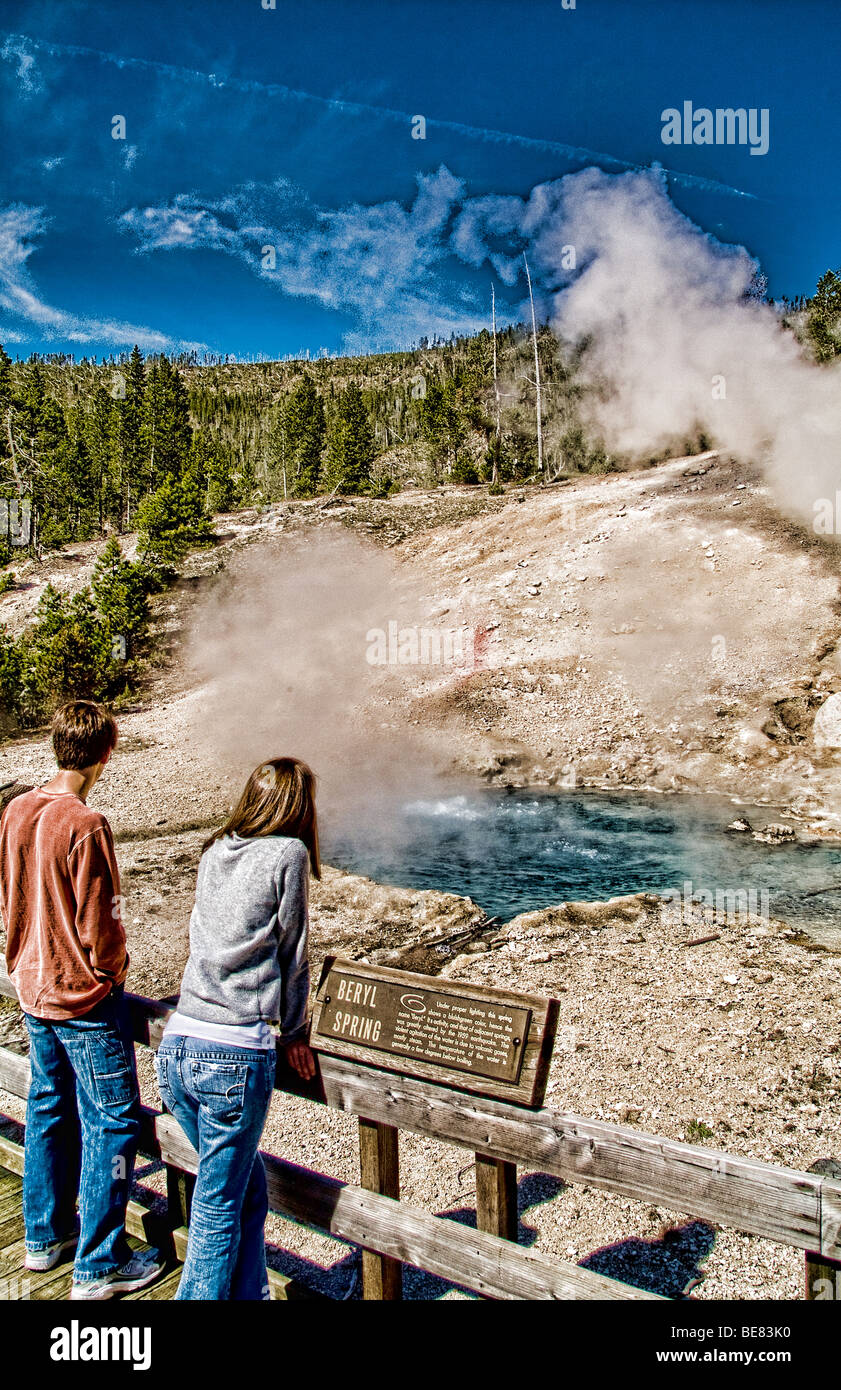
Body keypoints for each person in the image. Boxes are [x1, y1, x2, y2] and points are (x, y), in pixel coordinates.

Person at [0, 700, 163, 1300]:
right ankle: (100, 1263)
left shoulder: (16, 810)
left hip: (32, 986)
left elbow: (9, 894)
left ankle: (44, 1240)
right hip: (81, 998)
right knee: (114, 1124)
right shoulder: (85, 823)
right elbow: (103, 919)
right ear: (104, 753)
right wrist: (112, 970)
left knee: (47, 1108)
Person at [155, 756, 318, 1301]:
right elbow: (294, 956)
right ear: (297, 805)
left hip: (178, 1047)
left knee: (245, 1194)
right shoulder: (289, 853)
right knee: (218, 1205)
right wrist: (294, 1032)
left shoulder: (216, 848)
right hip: (232, 1054)